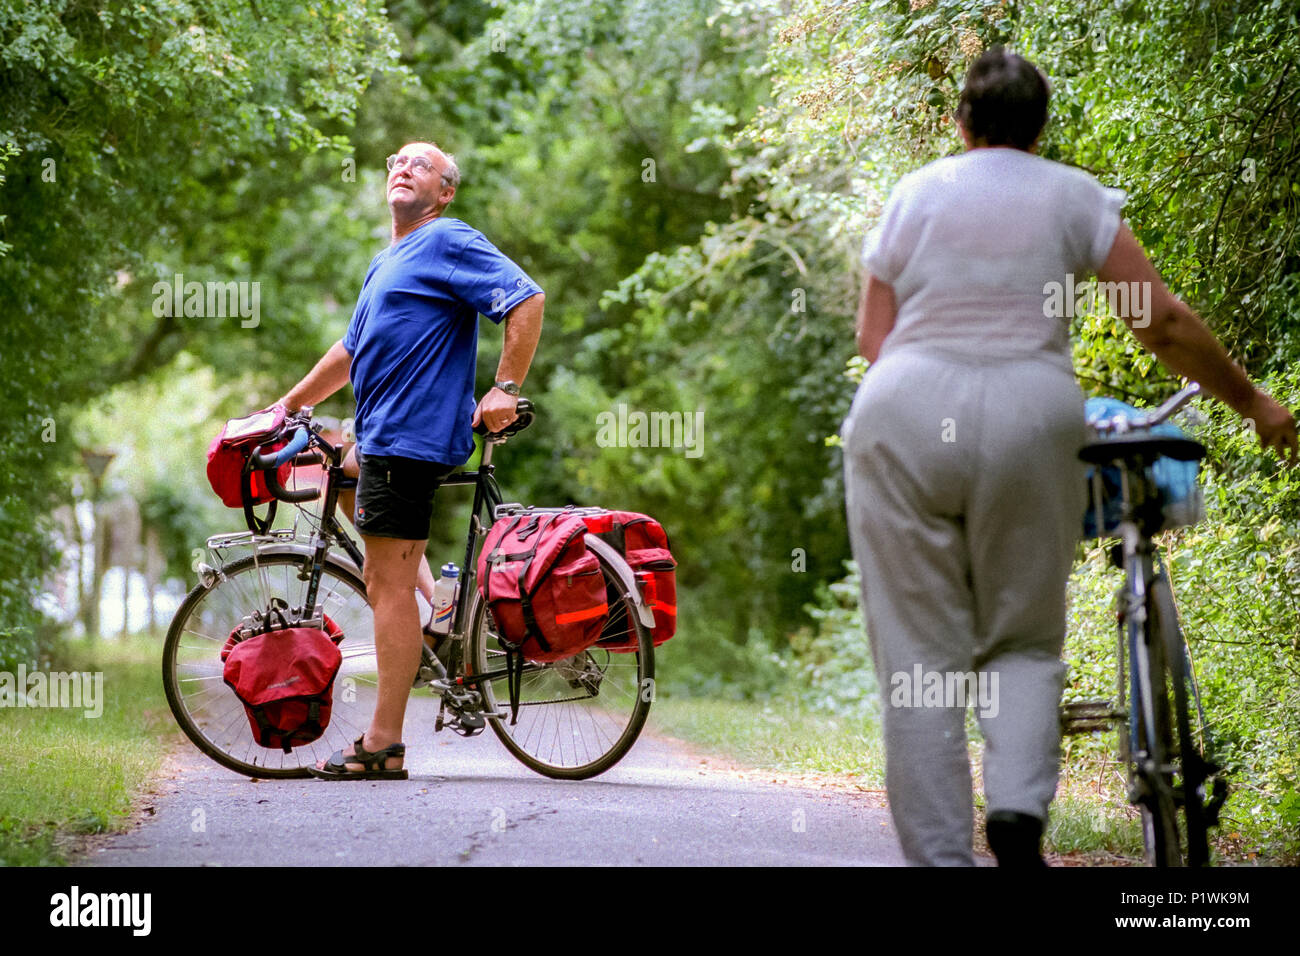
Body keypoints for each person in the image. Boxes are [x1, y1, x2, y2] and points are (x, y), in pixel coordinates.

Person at [842, 47, 1297, 866]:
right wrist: (1256, 404)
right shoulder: (1073, 197)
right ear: (1041, 128)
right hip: (1032, 416)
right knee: (1020, 637)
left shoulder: (916, 195)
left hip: (902, 413)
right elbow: (1160, 323)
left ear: (961, 124)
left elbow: (875, 339)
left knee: (920, 662)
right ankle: (1016, 814)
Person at [275, 141, 545, 779]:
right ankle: (438, 610)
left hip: (410, 439)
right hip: (381, 439)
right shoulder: (386, 261)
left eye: (420, 165)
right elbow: (350, 348)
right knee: (340, 471)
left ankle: (384, 745)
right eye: (394, 162)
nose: (401, 167)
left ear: (445, 191)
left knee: (382, 587)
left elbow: (526, 298)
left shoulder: (447, 238)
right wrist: (286, 406)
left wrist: (504, 387)